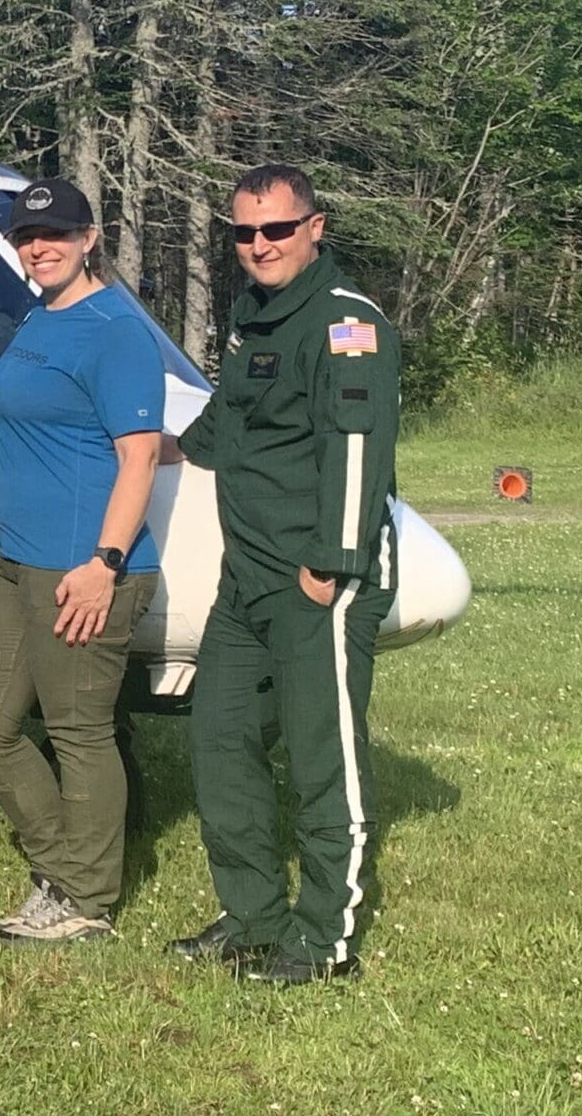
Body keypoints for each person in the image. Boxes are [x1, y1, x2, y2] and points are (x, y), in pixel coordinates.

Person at [171, 164, 401, 986]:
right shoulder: (254, 317)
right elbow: (228, 415)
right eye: (243, 232)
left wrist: (328, 567)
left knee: (320, 758)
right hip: (248, 580)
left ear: (315, 226)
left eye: (275, 228)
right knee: (220, 739)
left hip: (317, 579)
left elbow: (359, 450)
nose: (259, 245)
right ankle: (253, 914)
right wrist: (163, 449)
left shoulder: (347, 324)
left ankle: (325, 938)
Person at [0, 177, 164, 944]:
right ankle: (59, 861)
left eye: (56, 236)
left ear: (89, 237)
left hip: (80, 569)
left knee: (78, 731)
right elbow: (47, 403)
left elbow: (138, 457)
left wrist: (104, 563)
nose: (40, 249)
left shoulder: (116, 329)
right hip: (12, 561)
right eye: (27, 238)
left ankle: (87, 900)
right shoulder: (43, 314)